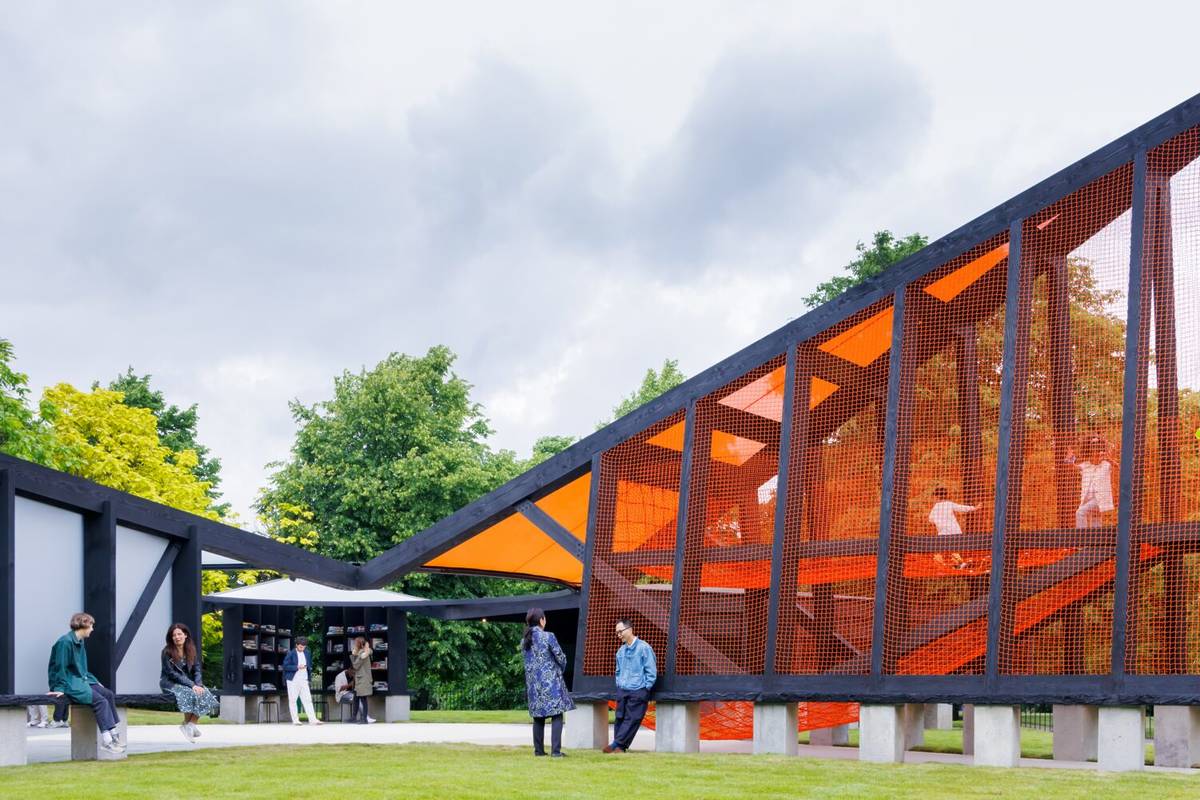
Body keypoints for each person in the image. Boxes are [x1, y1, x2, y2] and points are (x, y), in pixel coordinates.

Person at [47, 612, 124, 753]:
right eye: (91, 626)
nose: (92, 629)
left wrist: (95, 681)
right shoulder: (65, 642)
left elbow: (82, 669)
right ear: (83, 625)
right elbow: (60, 668)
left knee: (108, 694)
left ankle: (114, 735)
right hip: (69, 682)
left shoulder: (80, 642)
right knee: (100, 701)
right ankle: (107, 741)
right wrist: (59, 688)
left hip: (79, 680)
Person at [521, 607, 575, 757]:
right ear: (542, 620)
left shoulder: (524, 640)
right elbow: (561, 658)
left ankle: (539, 751)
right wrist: (558, 670)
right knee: (557, 714)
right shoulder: (548, 636)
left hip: (533, 685)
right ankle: (556, 752)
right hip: (551, 683)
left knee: (538, 717)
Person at [603, 618, 656, 754]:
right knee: (620, 718)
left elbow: (651, 671)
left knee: (632, 719)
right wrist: (619, 684)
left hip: (639, 690)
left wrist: (646, 687)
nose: (619, 635)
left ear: (630, 629)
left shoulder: (644, 648)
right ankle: (619, 747)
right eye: (617, 633)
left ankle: (615, 744)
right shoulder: (620, 651)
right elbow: (618, 671)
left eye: (620, 631)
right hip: (622, 690)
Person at [159, 622, 219, 742]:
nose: (177, 637)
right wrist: (192, 685)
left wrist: (198, 685)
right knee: (190, 693)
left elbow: (197, 670)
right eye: (174, 635)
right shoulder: (167, 652)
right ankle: (188, 725)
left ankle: (190, 725)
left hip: (188, 683)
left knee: (205, 692)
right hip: (170, 683)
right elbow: (172, 674)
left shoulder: (191, 650)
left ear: (185, 635)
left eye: (179, 634)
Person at [1066, 434, 1115, 529]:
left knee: (1080, 512)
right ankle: (1096, 538)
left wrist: (1110, 459)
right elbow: (1073, 467)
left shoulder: (1106, 465)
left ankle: (1082, 536)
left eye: (1097, 448)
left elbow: (1120, 468)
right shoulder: (1086, 465)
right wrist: (1070, 457)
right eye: (1093, 447)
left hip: (1099, 499)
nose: (1096, 452)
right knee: (1095, 522)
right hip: (1088, 499)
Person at [928, 486, 978, 569]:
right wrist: (974, 508)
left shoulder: (936, 507)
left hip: (943, 533)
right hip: (955, 531)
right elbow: (962, 508)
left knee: (938, 551)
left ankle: (941, 567)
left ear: (936, 496)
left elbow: (930, 520)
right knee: (954, 550)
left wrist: (938, 521)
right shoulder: (950, 504)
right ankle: (959, 564)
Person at [282, 636, 322, 725]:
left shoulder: (307, 653)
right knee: (293, 700)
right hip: (293, 680)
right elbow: (285, 666)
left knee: (308, 700)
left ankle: (313, 720)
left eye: (304, 647)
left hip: (304, 680)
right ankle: (295, 720)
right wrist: (297, 667)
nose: (302, 648)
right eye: (300, 647)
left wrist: (308, 672)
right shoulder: (291, 653)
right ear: (296, 645)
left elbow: (309, 664)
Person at [349, 637, 374, 724]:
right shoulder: (363, 651)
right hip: (360, 679)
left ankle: (364, 719)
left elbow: (355, 665)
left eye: (355, 643)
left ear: (359, 644)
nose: (354, 645)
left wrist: (353, 654)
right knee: (356, 698)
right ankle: (354, 717)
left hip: (363, 679)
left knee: (363, 699)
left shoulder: (363, 653)